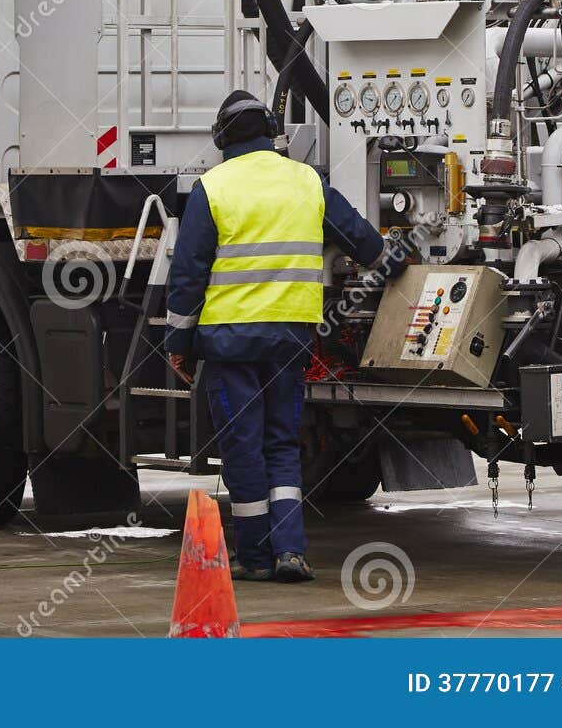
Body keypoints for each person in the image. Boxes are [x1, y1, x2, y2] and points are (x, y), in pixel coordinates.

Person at [164, 90, 403, 582]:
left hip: (231, 343)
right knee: (281, 445)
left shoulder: (212, 188)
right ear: (272, 133)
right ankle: (291, 551)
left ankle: (254, 557)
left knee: (243, 449)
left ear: (222, 138)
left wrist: (177, 345)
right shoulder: (307, 181)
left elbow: (187, 277)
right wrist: (397, 262)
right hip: (291, 340)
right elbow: (364, 240)